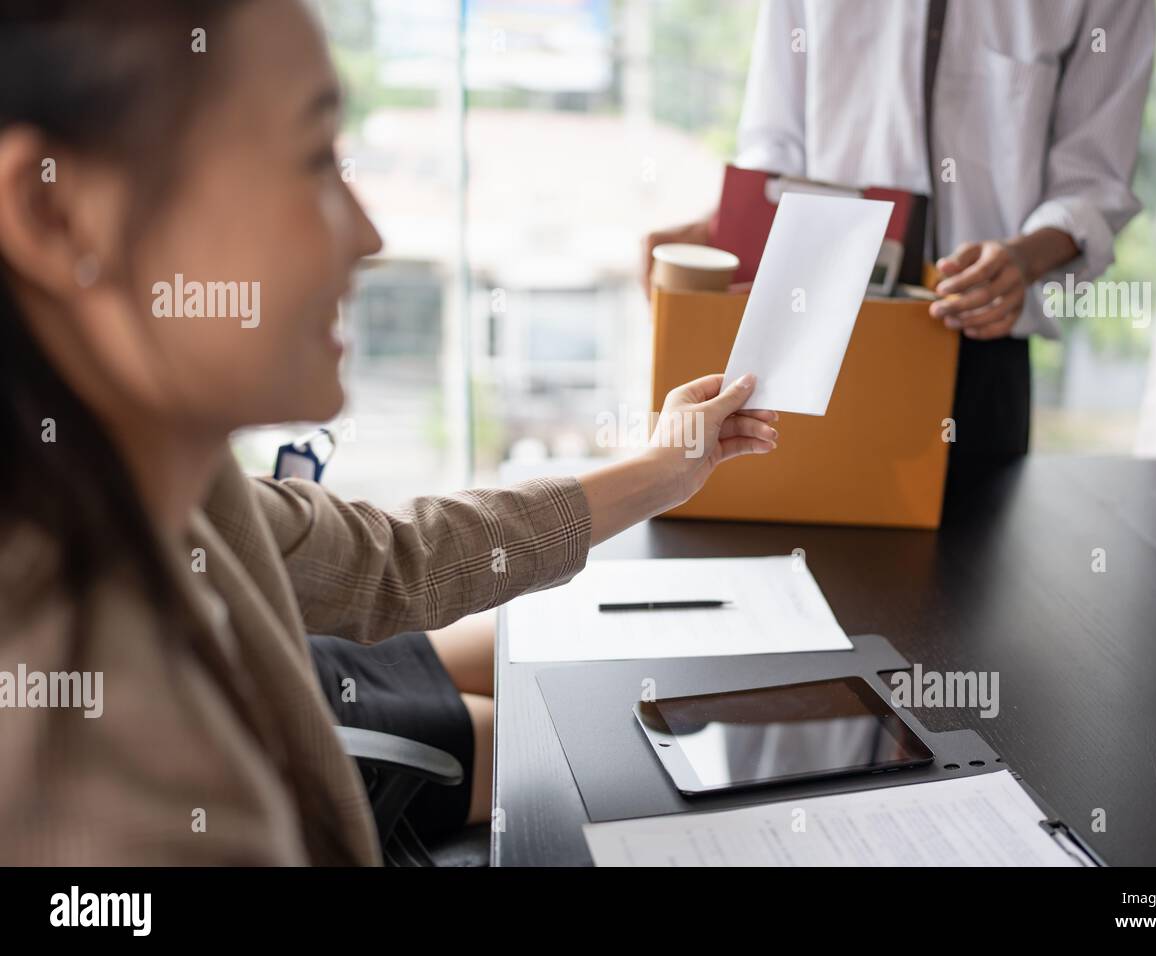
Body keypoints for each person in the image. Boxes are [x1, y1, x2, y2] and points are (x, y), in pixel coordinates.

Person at [0, 0, 777, 864]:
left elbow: (387, 559)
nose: (368, 234)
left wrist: (666, 466)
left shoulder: (168, 481)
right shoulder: (101, 785)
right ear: (57, 213)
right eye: (312, 158)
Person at [644, 0, 1154, 487]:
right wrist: (720, 230)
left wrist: (1023, 257)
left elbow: (1095, 177)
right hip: (818, 332)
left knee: (977, 563)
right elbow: (775, 143)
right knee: (790, 551)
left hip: (978, 339)